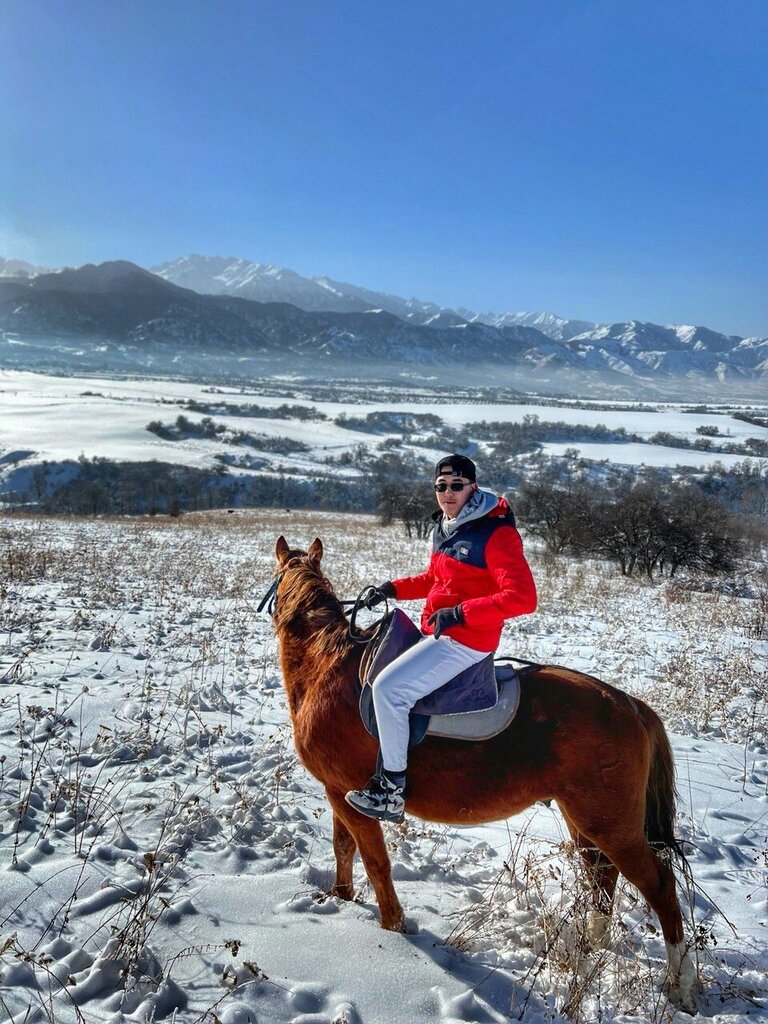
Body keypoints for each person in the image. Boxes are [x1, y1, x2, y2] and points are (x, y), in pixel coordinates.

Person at [345, 454, 537, 823]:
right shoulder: (448, 527)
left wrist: (462, 613)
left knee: (388, 690)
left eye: (456, 486)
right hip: (439, 630)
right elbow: (435, 579)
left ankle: (390, 790)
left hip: (465, 641)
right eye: (441, 487)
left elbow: (523, 598)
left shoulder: (495, 534)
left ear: (473, 488)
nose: (448, 493)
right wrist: (391, 590)